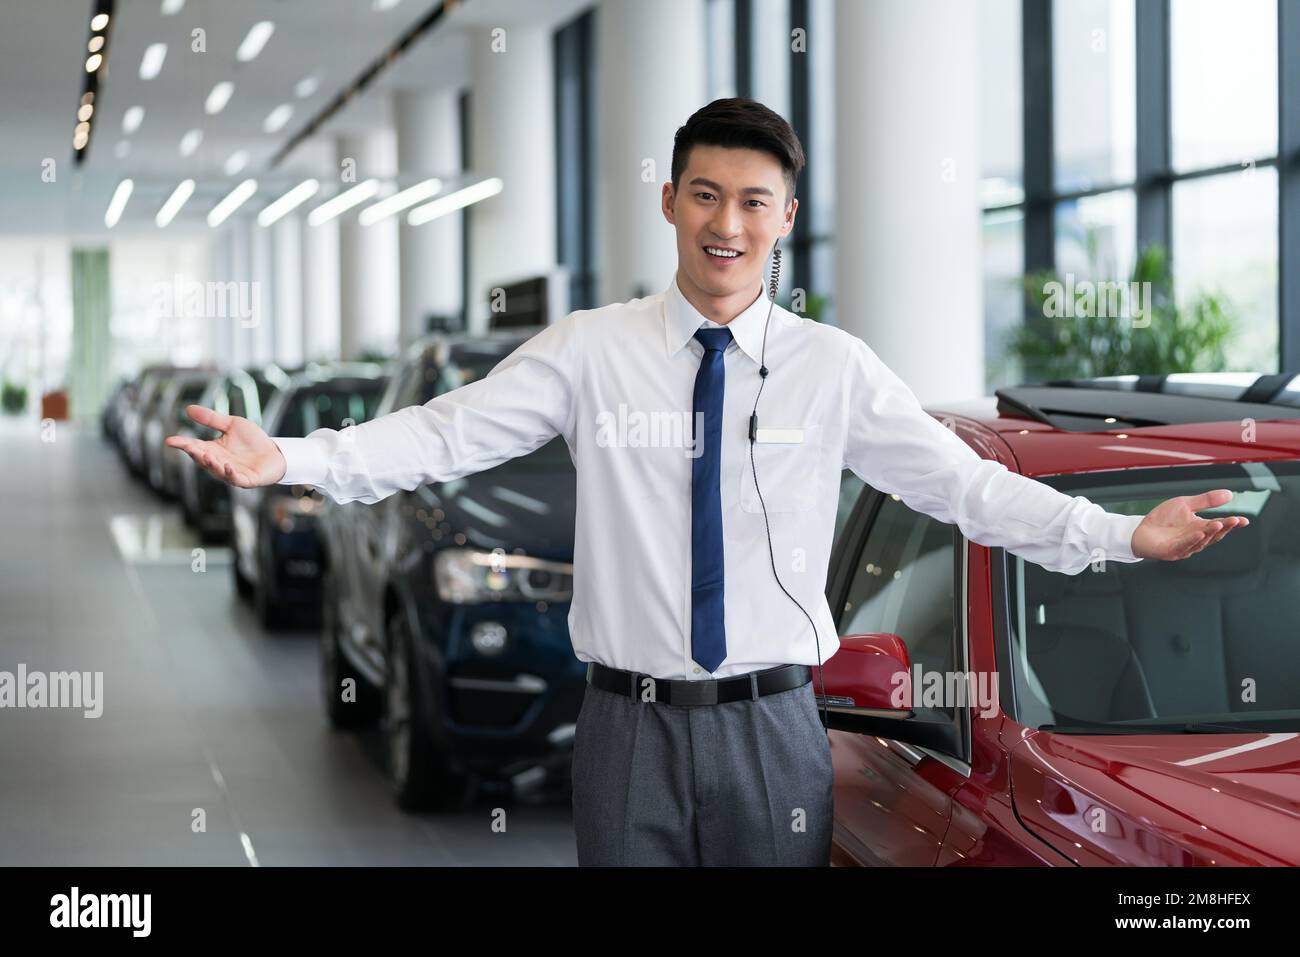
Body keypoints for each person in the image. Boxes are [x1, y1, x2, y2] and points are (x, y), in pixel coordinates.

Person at [167, 97, 1247, 866]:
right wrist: (292, 459)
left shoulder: (833, 368)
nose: (725, 223)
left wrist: (1117, 537)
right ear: (673, 203)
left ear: (783, 218)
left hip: (775, 729)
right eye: (705, 195)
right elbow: (447, 435)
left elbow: (963, 488)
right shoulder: (590, 350)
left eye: (753, 202)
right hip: (625, 729)